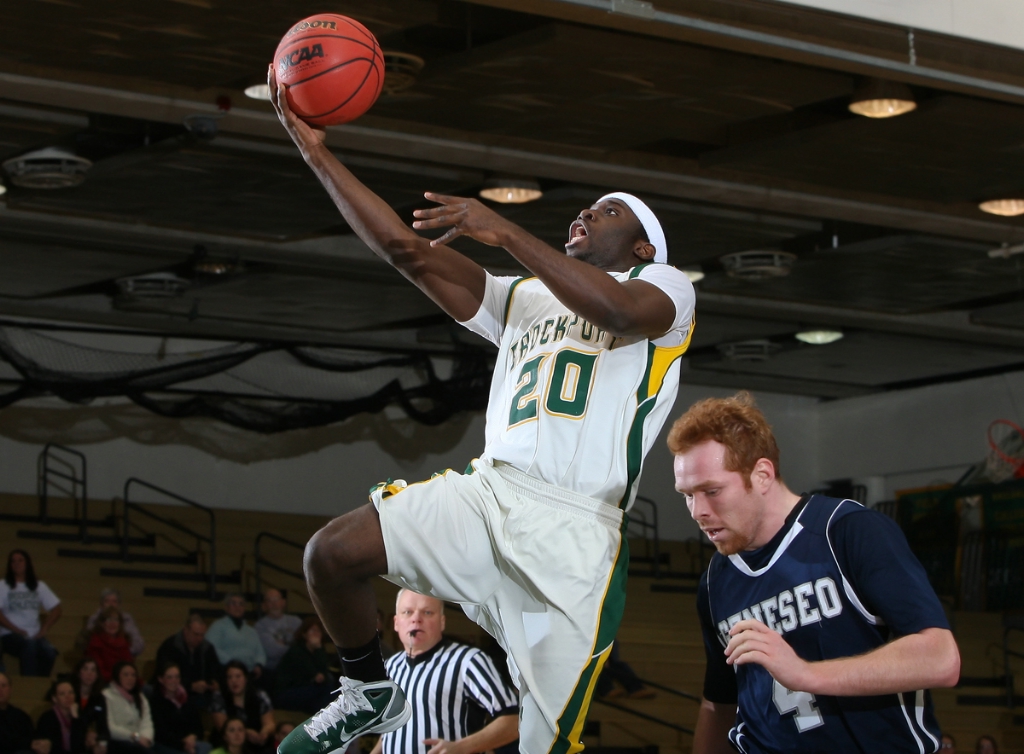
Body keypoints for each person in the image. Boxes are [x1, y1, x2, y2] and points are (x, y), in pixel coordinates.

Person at [268, 63, 696, 754]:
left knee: (542, 746)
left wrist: (501, 230)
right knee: (332, 555)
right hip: (492, 492)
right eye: (587, 207)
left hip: (574, 532)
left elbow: (616, 309)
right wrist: (315, 150)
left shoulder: (665, 287)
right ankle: (366, 691)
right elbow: (407, 251)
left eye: (607, 210)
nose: (585, 213)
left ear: (642, 247)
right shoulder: (523, 297)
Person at [668, 391, 961, 754]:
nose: (698, 511)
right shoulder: (715, 581)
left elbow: (940, 658)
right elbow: (719, 702)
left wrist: (805, 674)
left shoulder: (848, 531)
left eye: (712, 491)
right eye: (687, 495)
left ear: (762, 474)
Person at [371, 590, 518, 754]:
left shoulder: (467, 661)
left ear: (442, 622)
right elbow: (392, 732)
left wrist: (460, 748)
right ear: (396, 623)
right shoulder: (391, 666)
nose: (416, 619)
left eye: (427, 612)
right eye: (408, 612)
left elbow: (513, 721)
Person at [0, 550, 61, 676]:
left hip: (34, 634)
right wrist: (15, 629)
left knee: (50, 652)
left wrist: (44, 628)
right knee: (29, 646)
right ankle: (29, 681)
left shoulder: (39, 586)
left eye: (20, 560)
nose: (17, 563)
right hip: (9, 635)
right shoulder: (3, 585)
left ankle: (40, 683)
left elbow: (57, 609)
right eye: (13, 561)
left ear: (27, 563)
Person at [153, 616, 220, 709]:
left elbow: (216, 670)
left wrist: (213, 682)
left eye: (202, 635)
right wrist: (190, 686)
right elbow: (163, 676)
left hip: (204, 696)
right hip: (173, 694)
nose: (199, 639)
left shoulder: (207, 648)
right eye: (196, 634)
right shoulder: (170, 646)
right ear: (185, 631)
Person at [209, 662, 275, 754]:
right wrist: (244, 733)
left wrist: (264, 733)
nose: (234, 681)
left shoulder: (260, 695)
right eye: (230, 677)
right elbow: (222, 726)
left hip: (256, 744)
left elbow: (269, 723)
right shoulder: (219, 697)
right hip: (228, 744)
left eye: (238, 676)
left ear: (246, 678)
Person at [273, 618, 334, 714]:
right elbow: (314, 674)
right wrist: (318, 649)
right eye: (312, 630)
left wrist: (319, 649)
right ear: (304, 634)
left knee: (330, 689)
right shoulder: (296, 651)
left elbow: (324, 673)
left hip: (308, 690)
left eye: (318, 631)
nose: (316, 634)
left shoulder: (319, 651)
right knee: (326, 689)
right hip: (288, 691)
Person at [147, 663, 209, 754]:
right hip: (166, 745)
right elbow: (160, 733)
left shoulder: (187, 699)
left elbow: (199, 728)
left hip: (190, 743)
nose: (174, 681)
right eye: (169, 677)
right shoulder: (155, 702)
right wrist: (183, 744)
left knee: (207, 747)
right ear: (160, 679)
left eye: (177, 677)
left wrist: (193, 737)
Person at [99, 662, 154, 754]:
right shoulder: (106, 696)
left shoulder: (140, 697)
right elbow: (108, 727)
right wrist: (134, 736)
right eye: (126, 675)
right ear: (117, 676)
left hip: (139, 741)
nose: (130, 678)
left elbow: (147, 722)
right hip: (118, 741)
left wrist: (146, 738)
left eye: (133, 675)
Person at [206, 597, 265, 678]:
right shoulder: (218, 626)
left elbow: (260, 652)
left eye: (241, 604)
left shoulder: (251, 631)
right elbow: (211, 647)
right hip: (226, 671)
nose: (237, 607)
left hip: (249, 672)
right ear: (226, 607)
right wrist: (232, 663)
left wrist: (259, 664)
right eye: (233, 604)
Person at [35, 680, 93, 754]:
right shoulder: (47, 718)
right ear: (55, 699)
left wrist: (75, 717)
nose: (68, 697)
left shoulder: (80, 715)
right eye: (62, 694)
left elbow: (79, 747)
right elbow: (53, 748)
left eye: (71, 692)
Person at [0, 671, 50, 754]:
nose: (0, 689)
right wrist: (29, 744)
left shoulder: (20, 715)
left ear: (10, 689)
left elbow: (33, 736)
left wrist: (41, 744)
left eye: (3, 686)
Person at [253, 590, 300, 676]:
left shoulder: (296, 622)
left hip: (296, 667)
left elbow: (302, 647)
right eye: (269, 600)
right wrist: (292, 646)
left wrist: (282, 644)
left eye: (277, 599)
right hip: (272, 670)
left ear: (283, 602)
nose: (274, 604)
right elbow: (272, 652)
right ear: (264, 605)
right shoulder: (260, 626)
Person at [85, 591, 144, 658]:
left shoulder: (127, 621)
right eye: (107, 601)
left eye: (114, 601)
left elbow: (138, 644)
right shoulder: (94, 622)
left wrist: (125, 651)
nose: (111, 604)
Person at [87, 608, 134, 682]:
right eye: (109, 620)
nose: (113, 623)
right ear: (102, 623)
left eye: (116, 620)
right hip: (105, 683)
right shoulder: (96, 643)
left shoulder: (124, 643)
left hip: (124, 682)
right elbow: (99, 671)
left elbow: (129, 667)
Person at [71, 658, 104, 723]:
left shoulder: (100, 698)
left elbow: (102, 723)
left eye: (93, 670)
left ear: (97, 675)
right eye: (85, 669)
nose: (89, 673)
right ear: (78, 673)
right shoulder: (70, 694)